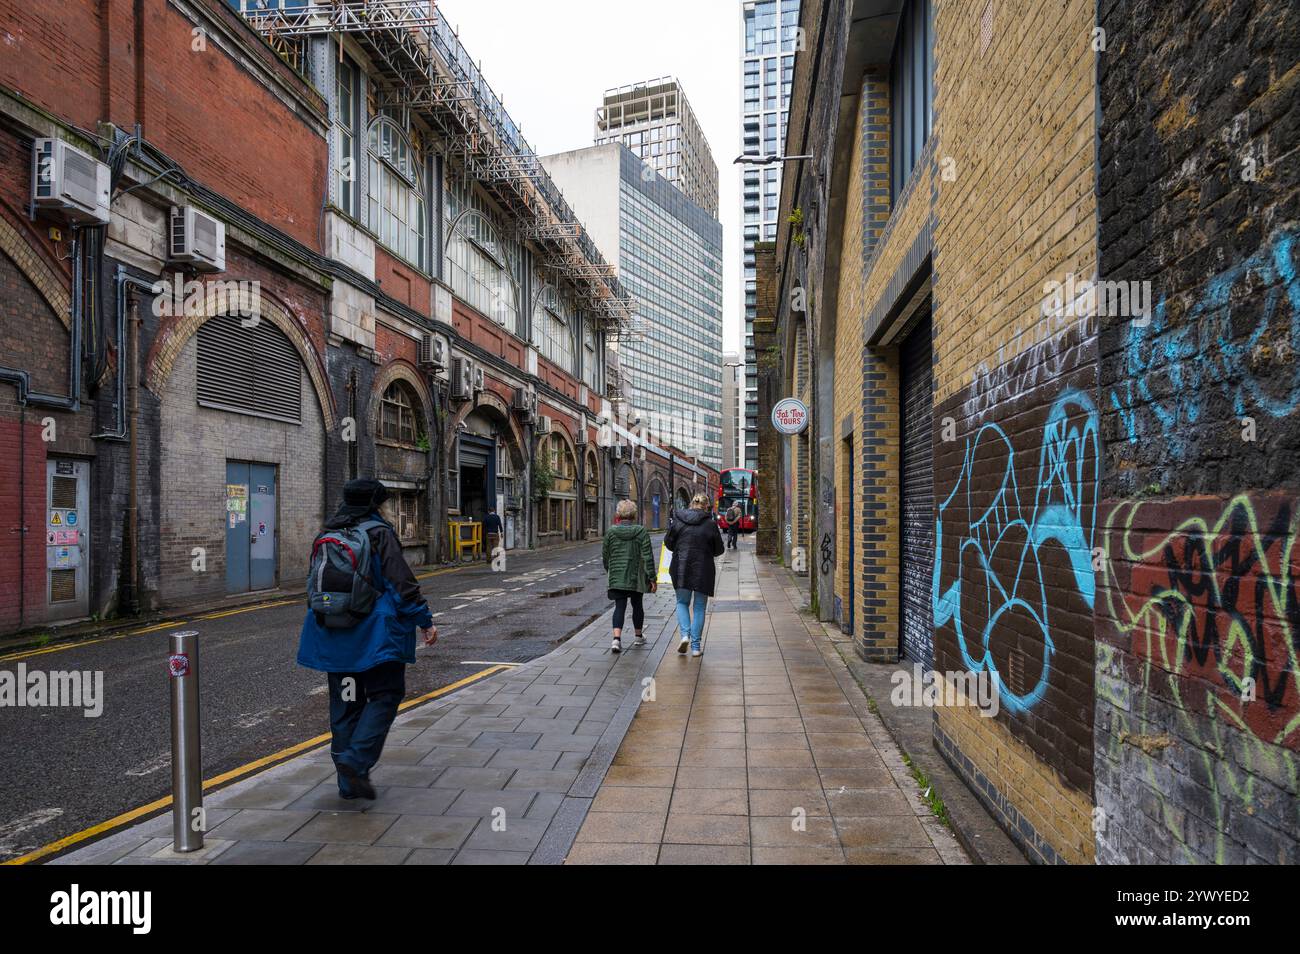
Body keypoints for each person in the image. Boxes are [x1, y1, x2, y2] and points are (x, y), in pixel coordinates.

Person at [297, 478, 438, 801]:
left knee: (346, 705)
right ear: (376, 503)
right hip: (374, 637)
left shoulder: (327, 534)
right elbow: (402, 586)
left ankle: (349, 784)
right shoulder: (379, 534)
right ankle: (356, 760)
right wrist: (425, 622)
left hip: (334, 633)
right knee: (386, 694)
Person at [664, 492, 724, 657]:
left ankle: (685, 635)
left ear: (691, 504)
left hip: (680, 568)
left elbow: (668, 543)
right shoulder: (710, 524)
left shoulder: (678, 520)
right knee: (699, 607)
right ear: (706, 507)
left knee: (682, 602)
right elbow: (720, 549)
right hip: (703, 570)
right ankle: (696, 647)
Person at [602, 499, 656, 653]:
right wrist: (652, 578)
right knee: (637, 605)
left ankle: (616, 640)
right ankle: (638, 636)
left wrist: (610, 570)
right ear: (633, 514)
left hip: (617, 575)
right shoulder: (641, 531)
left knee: (619, 606)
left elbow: (605, 555)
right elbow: (648, 556)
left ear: (619, 514)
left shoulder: (611, 532)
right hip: (636, 576)